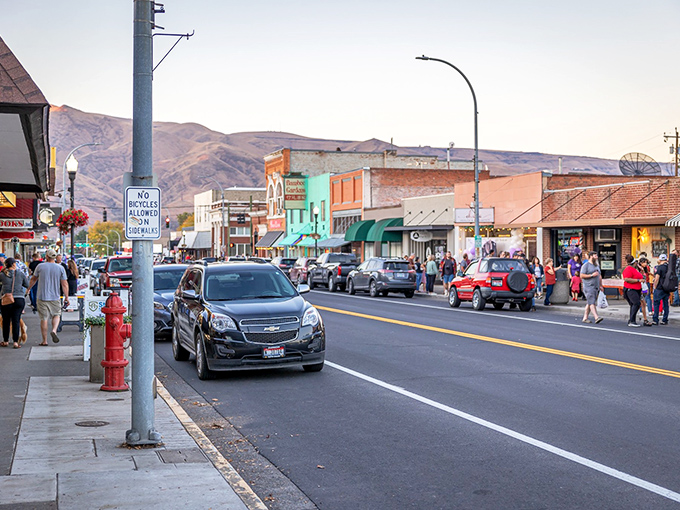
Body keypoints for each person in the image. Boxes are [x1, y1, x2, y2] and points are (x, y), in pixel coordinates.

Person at [26, 249, 68, 345]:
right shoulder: (60, 268)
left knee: (44, 318)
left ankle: (44, 341)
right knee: (56, 314)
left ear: (47, 257)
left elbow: (33, 279)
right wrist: (66, 297)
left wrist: (28, 288)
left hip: (42, 296)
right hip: (55, 296)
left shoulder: (40, 266)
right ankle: (54, 330)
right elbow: (64, 284)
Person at [0, 258, 29, 348]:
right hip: (19, 299)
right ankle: (16, 342)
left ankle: (5, 341)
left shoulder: (2, 274)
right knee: (16, 320)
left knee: (6, 321)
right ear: (13, 264)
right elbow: (27, 285)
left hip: (6, 299)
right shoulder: (20, 274)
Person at [580, 251, 603, 324]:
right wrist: (591, 275)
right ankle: (596, 317)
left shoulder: (596, 265)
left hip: (596, 287)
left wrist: (601, 285)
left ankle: (585, 318)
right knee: (592, 302)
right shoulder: (586, 265)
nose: (596, 257)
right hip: (588, 286)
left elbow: (599, 276)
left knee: (589, 302)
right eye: (595, 255)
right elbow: (581, 275)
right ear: (591, 256)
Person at [622, 254, 644, 327]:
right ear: (634, 263)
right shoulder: (628, 269)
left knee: (633, 304)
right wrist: (638, 280)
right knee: (636, 303)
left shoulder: (635, 270)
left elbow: (641, 276)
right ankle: (632, 321)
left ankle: (632, 320)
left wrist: (641, 270)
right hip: (630, 289)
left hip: (637, 289)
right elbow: (627, 279)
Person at [652, 253, 670, 325]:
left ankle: (655, 320)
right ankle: (665, 319)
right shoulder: (670, 267)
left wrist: (654, 286)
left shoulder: (660, 267)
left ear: (659, 259)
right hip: (667, 288)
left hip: (659, 288)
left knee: (656, 303)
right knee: (666, 304)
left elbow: (657, 279)